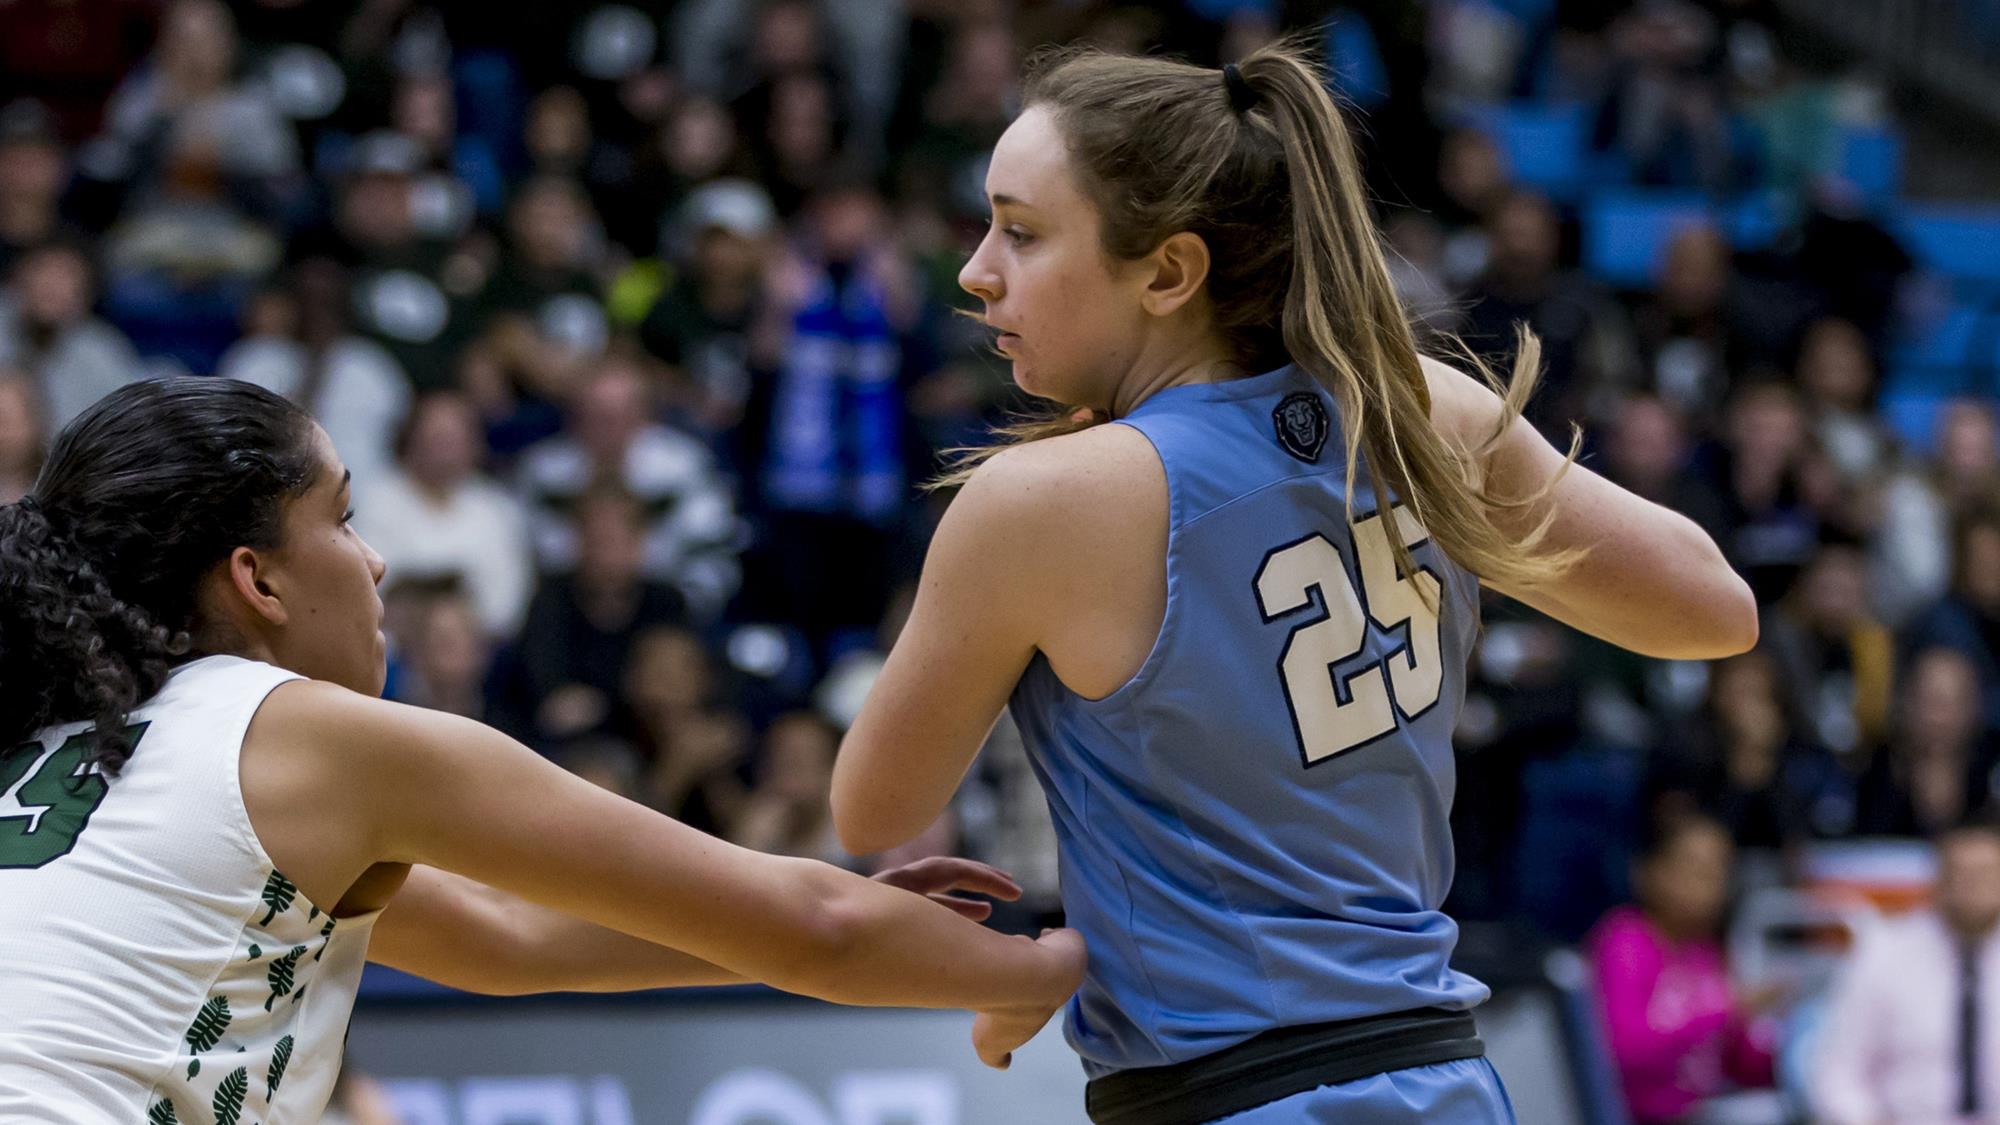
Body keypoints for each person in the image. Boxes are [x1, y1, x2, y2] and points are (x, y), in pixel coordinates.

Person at [830, 39, 1756, 1123]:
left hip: (1233, 1094)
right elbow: (1714, 610)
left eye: (1021, 232)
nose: (975, 268)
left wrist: (1035, 965)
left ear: (1169, 273)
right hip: (1443, 1079)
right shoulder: (1414, 410)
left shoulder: (1044, 502)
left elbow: (874, 806)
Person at [0, 378, 1084, 1122]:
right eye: (342, 519)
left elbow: (511, 938)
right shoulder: (304, 736)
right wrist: (1038, 968)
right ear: (259, 578)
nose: (374, 564)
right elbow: (815, 931)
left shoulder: (60, 757)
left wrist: (915, 937)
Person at [1586, 813, 1778, 1124]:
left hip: (1698, 1113)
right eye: (1696, 870)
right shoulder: (1627, 942)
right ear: (1650, 871)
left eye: (1720, 872)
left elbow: (1733, 1062)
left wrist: (1791, 1051)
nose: (1711, 885)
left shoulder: (1705, 952)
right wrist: (1726, 1011)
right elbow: (1626, 1054)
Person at [1813, 813, 2000, 1122]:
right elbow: (1837, 1072)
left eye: (1986, 874)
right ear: (1938, 880)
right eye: (1962, 874)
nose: (1974, 887)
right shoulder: (1883, 952)